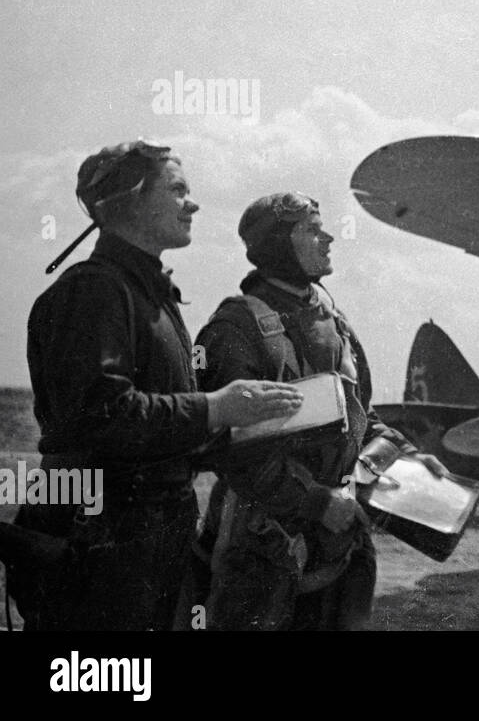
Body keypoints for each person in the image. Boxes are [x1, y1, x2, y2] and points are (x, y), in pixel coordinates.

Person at [14, 141, 300, 630]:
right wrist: (215, 409)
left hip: (144, 542)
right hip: (100, 544)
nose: (193, 203)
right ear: (129, 199)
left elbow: (160, 423)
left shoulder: (148, 293)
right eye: (177, 190)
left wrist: (249, 424)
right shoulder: (93, 291)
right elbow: (99, 416)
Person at [194, 192, 450, 630]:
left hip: (338, 548)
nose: (328, 237)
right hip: (260, 554)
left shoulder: (335, 322)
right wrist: (314, 502)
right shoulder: (234, 329)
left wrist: (405, 459)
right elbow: (230, 449)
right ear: (278, 243)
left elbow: (360, 417)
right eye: (312, 229)